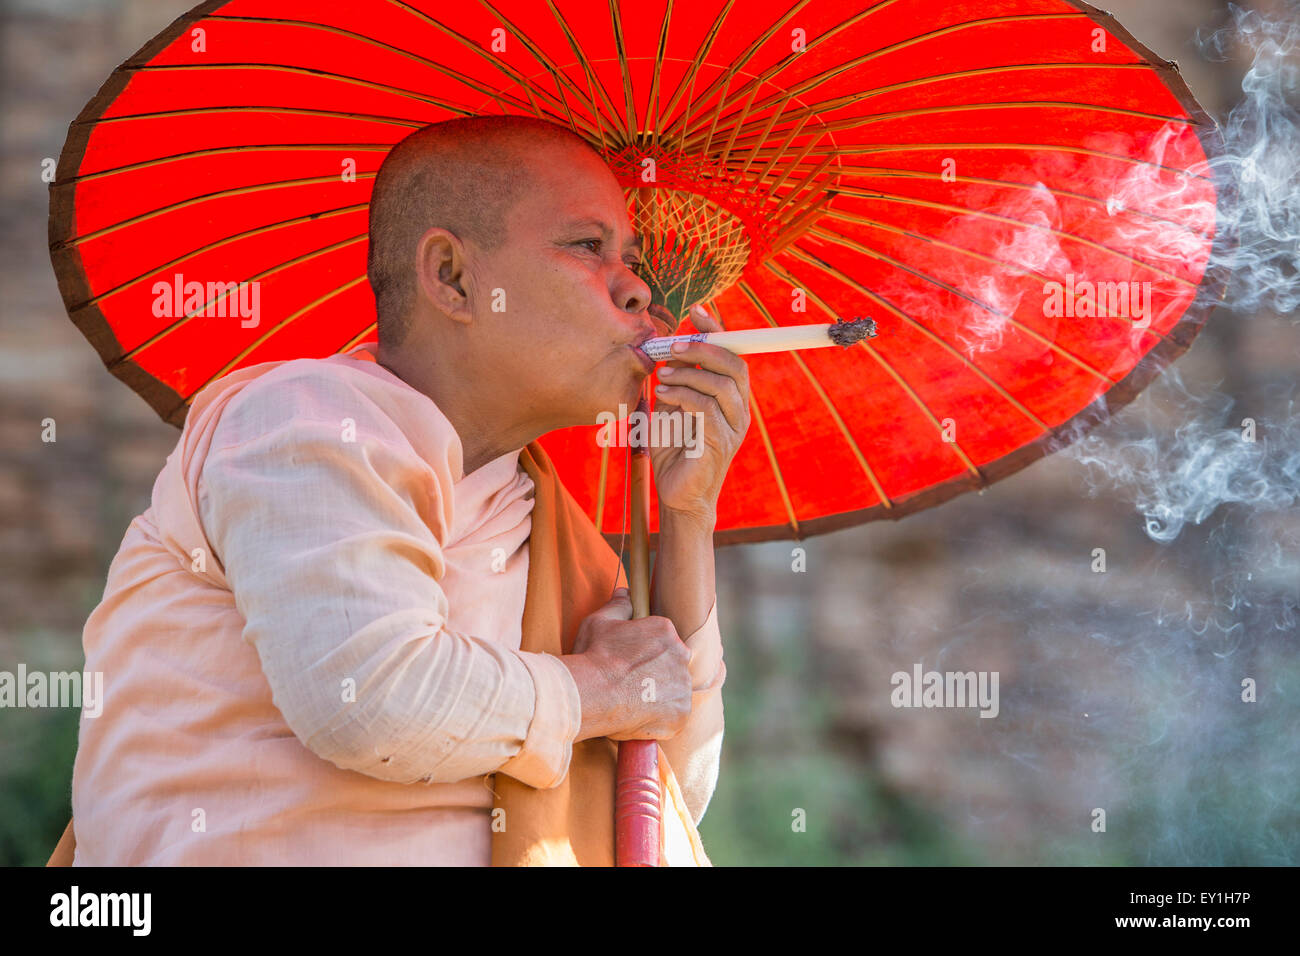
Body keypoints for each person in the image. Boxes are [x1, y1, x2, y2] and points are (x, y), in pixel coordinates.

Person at [55, 115, 750, 865]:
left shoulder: (546, 521)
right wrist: (596, 689)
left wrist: (686, 517)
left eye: (634, 257)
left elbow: (666, 793)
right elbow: (364, 700)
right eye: (588, 247)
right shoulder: (307, 420)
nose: (637, 287)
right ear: (452, 277)